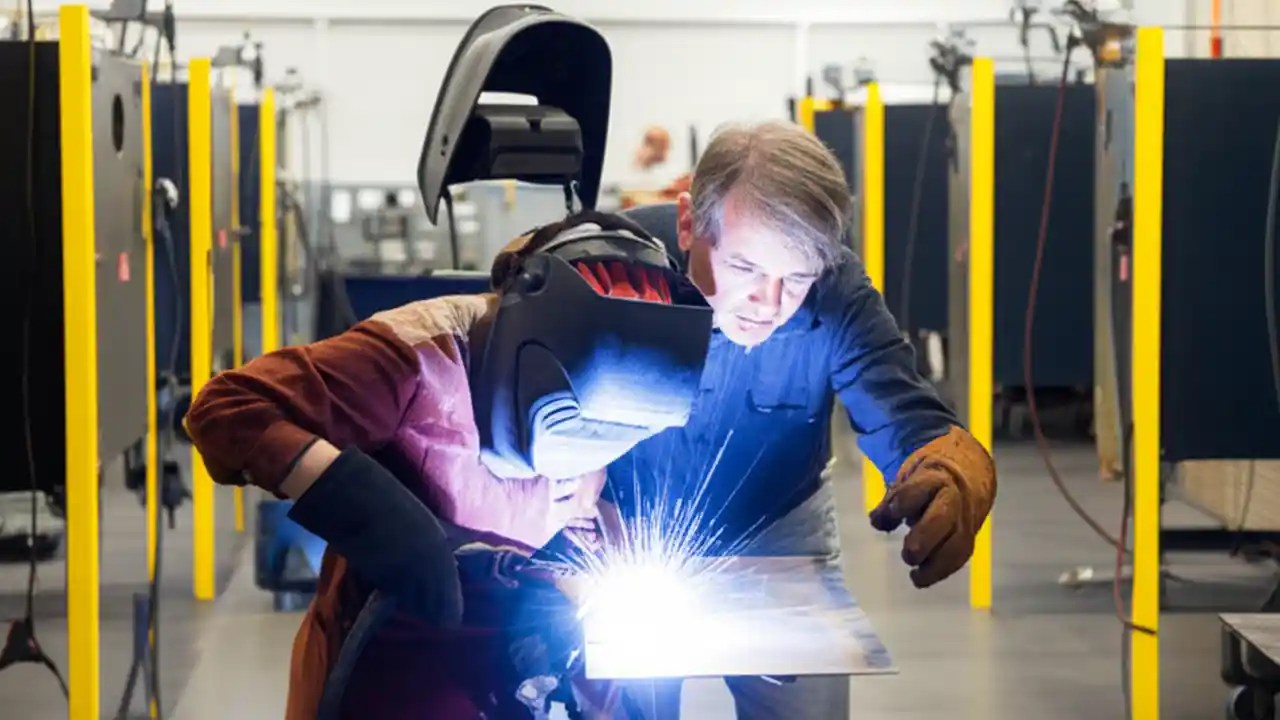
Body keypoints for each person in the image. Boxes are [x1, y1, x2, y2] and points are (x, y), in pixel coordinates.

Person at [183, 211, 712, 720]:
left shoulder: (628, 381)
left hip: (507, 665)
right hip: (385, 664)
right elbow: (226, 408)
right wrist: (379, 514)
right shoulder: (415, 355)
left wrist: (594, 536)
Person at [606, 119, 998, 719]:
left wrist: (946, 468)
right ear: (689, 225)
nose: (769, 303)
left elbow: (902, 405)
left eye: (794, 279)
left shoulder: (836, 290)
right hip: (624, 535)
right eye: (745, 269)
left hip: (777, 529)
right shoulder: (611, 270)